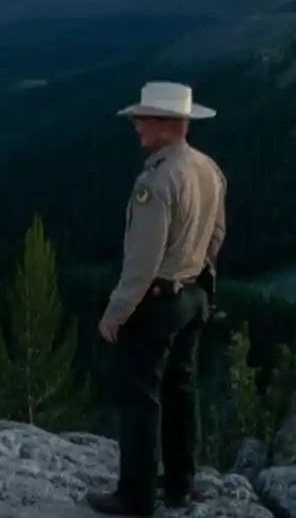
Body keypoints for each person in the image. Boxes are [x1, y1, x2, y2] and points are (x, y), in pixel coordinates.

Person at [87, 81, 227, 517]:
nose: (135, 125)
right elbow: (217, 234)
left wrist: (116, 313)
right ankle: (181, 485)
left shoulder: (157, 180)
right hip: (193, 296)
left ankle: (136, 497)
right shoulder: (208, 169)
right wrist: (200, 279)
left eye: (142, 118)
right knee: (182, 389)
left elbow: (142, 261)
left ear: (166, 125)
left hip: (157, 303)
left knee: (140, 399)